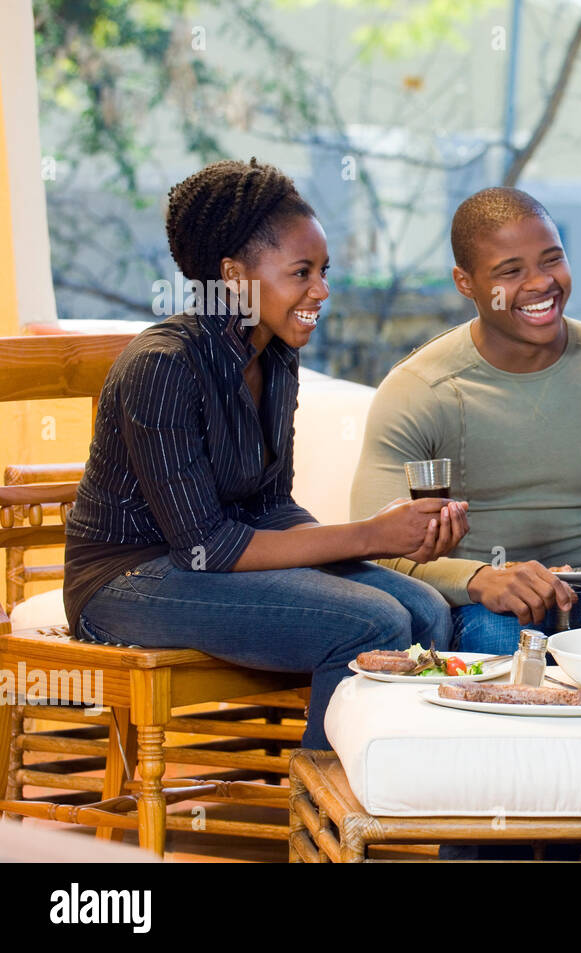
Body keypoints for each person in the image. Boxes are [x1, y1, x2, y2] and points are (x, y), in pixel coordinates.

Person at [63, 159, 468, 750]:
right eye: (301, 272)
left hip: (203, 566)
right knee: (372, 622)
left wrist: (394, 540)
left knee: (426, 609)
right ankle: (325, 819)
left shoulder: (274, 356)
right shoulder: (163, 366)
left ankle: (399, 804)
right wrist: (371, 537)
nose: (321, 291)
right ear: (233, 275)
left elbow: (272, 507)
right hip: (123, 584)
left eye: (323, 271)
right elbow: (209, 547)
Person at [350, 187, 581, 654]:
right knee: (503, 643)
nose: (541, 283)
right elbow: (373, 547)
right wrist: (480, 579)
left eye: (551, 260)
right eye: (511, 271)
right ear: (465, 282)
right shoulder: (420, 390)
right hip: (480, 604)